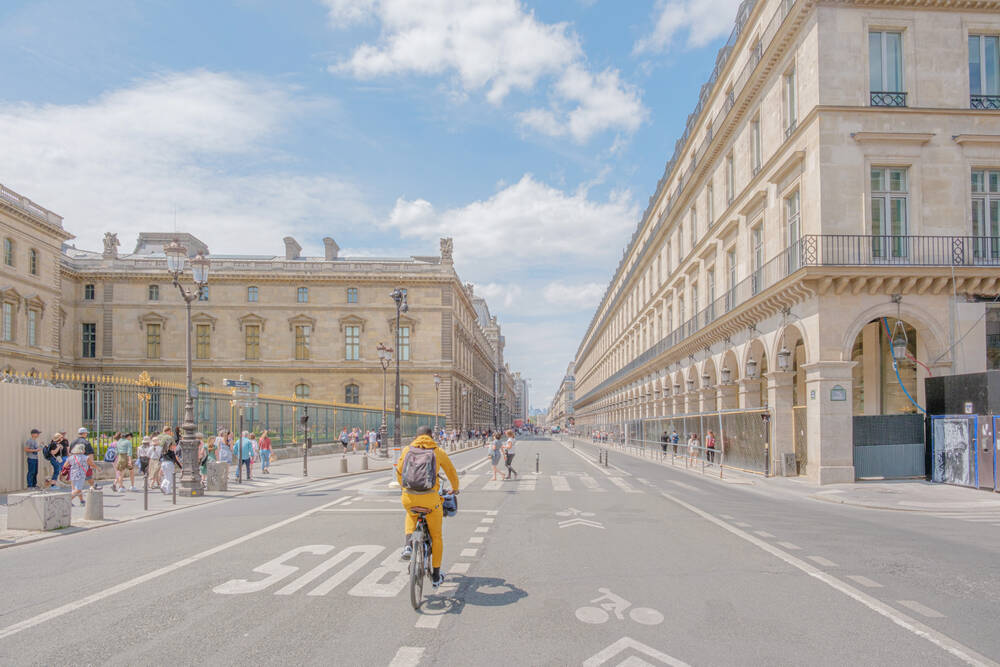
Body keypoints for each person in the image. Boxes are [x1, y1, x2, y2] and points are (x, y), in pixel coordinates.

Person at [395, 425, 460, 588]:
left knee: (411, 515)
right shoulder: (438, 451)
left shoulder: (407, 450)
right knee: (437, 536)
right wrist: (455, 488)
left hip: (409, 497)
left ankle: (408, 547)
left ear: (416, 436)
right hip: (431, 500)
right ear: (431, 436)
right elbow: (451, 472)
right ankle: (437, 576)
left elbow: (399, 471)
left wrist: (404, 487)